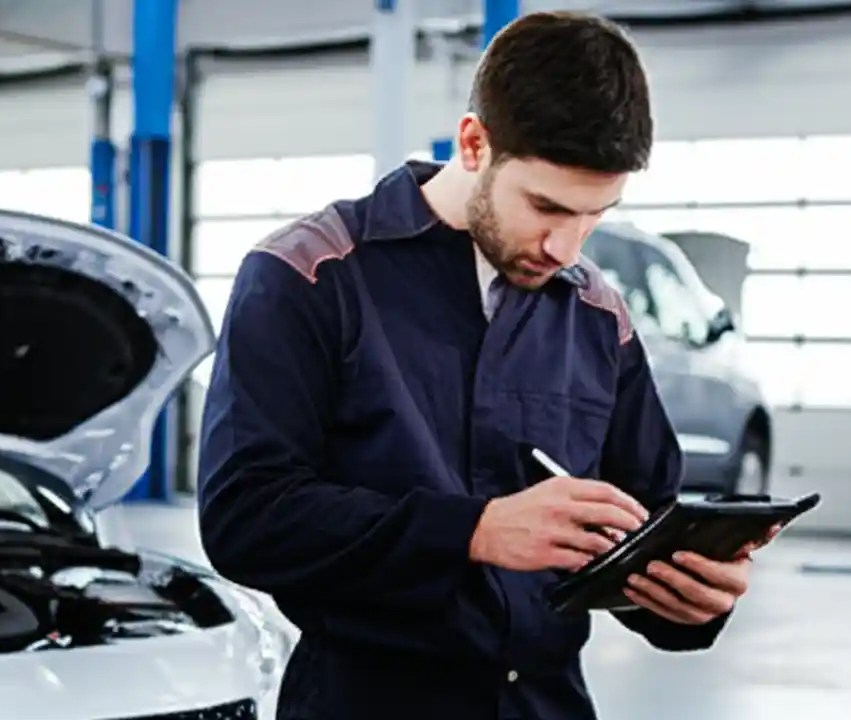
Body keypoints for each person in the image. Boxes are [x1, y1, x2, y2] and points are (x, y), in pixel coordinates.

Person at [196, 11, 776, 720]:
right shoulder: (309, 276)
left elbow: (640, 527)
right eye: (547, 206)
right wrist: (472, 529)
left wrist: (689, 598)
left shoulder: (597, 316)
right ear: (474, 143)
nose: (567, 247)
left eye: (595, 215)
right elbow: (246, 518)